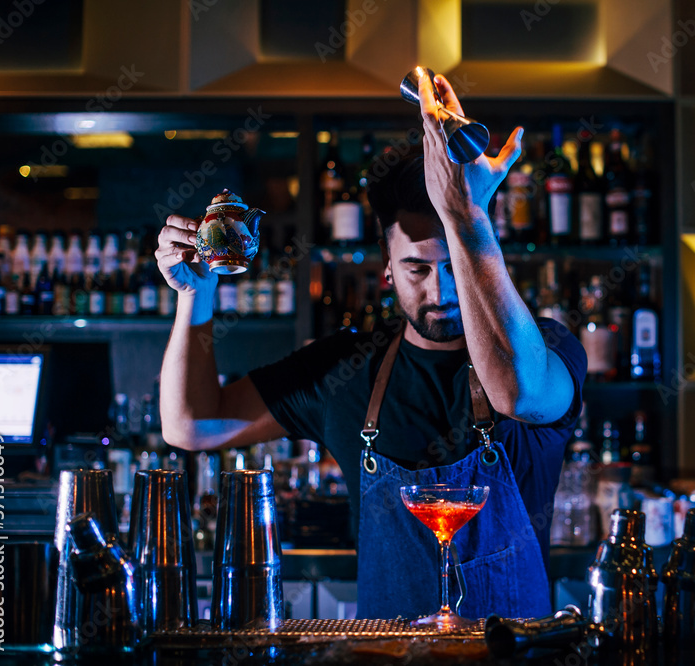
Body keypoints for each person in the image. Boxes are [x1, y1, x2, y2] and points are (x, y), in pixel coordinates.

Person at [156, 70, 586, 621]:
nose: (440, 290)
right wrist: (196, 296)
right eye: (417, 268)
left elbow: (518, 394)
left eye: (456, 264)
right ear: (387, 269)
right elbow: (189, 424)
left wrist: (466, 216)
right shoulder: (346, 368)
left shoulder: (545, 347)